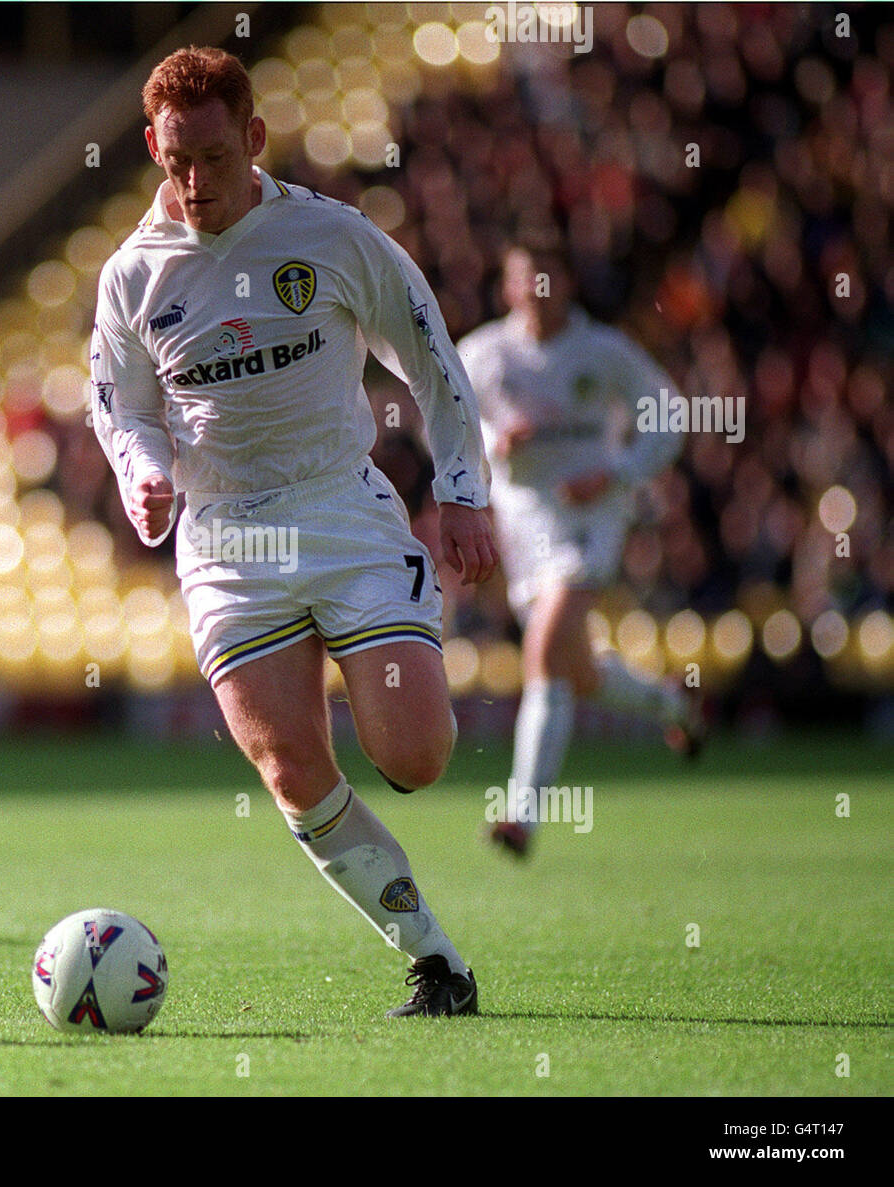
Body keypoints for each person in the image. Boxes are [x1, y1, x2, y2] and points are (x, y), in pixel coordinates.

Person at [89, 46, 497, 1017]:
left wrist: (463, 489)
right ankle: (435, 961)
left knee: (415, 755)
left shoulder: (333, 236)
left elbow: (429, 354)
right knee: (291, 769)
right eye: (177, 161)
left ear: (256, 138)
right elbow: (121, 407)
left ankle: (387, 677)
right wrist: (142, 472)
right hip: (227, 541)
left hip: (340, 512)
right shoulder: (131, 276)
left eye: (215, 158)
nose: (195, 182)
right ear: (152, 147)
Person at [456, 242, 705, 858]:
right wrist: (493, 440)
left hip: (591, 518)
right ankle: (674, 705)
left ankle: (521, 816)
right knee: (575, 669)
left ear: (567, 282)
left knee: (545, 648)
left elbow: (668, 415)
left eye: (549, 276)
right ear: (508, 287)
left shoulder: (604, 351)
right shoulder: (484, 353)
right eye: (526, 278)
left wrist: (617, 472)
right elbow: (444, 420)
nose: (537, 289)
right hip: (523, 520)